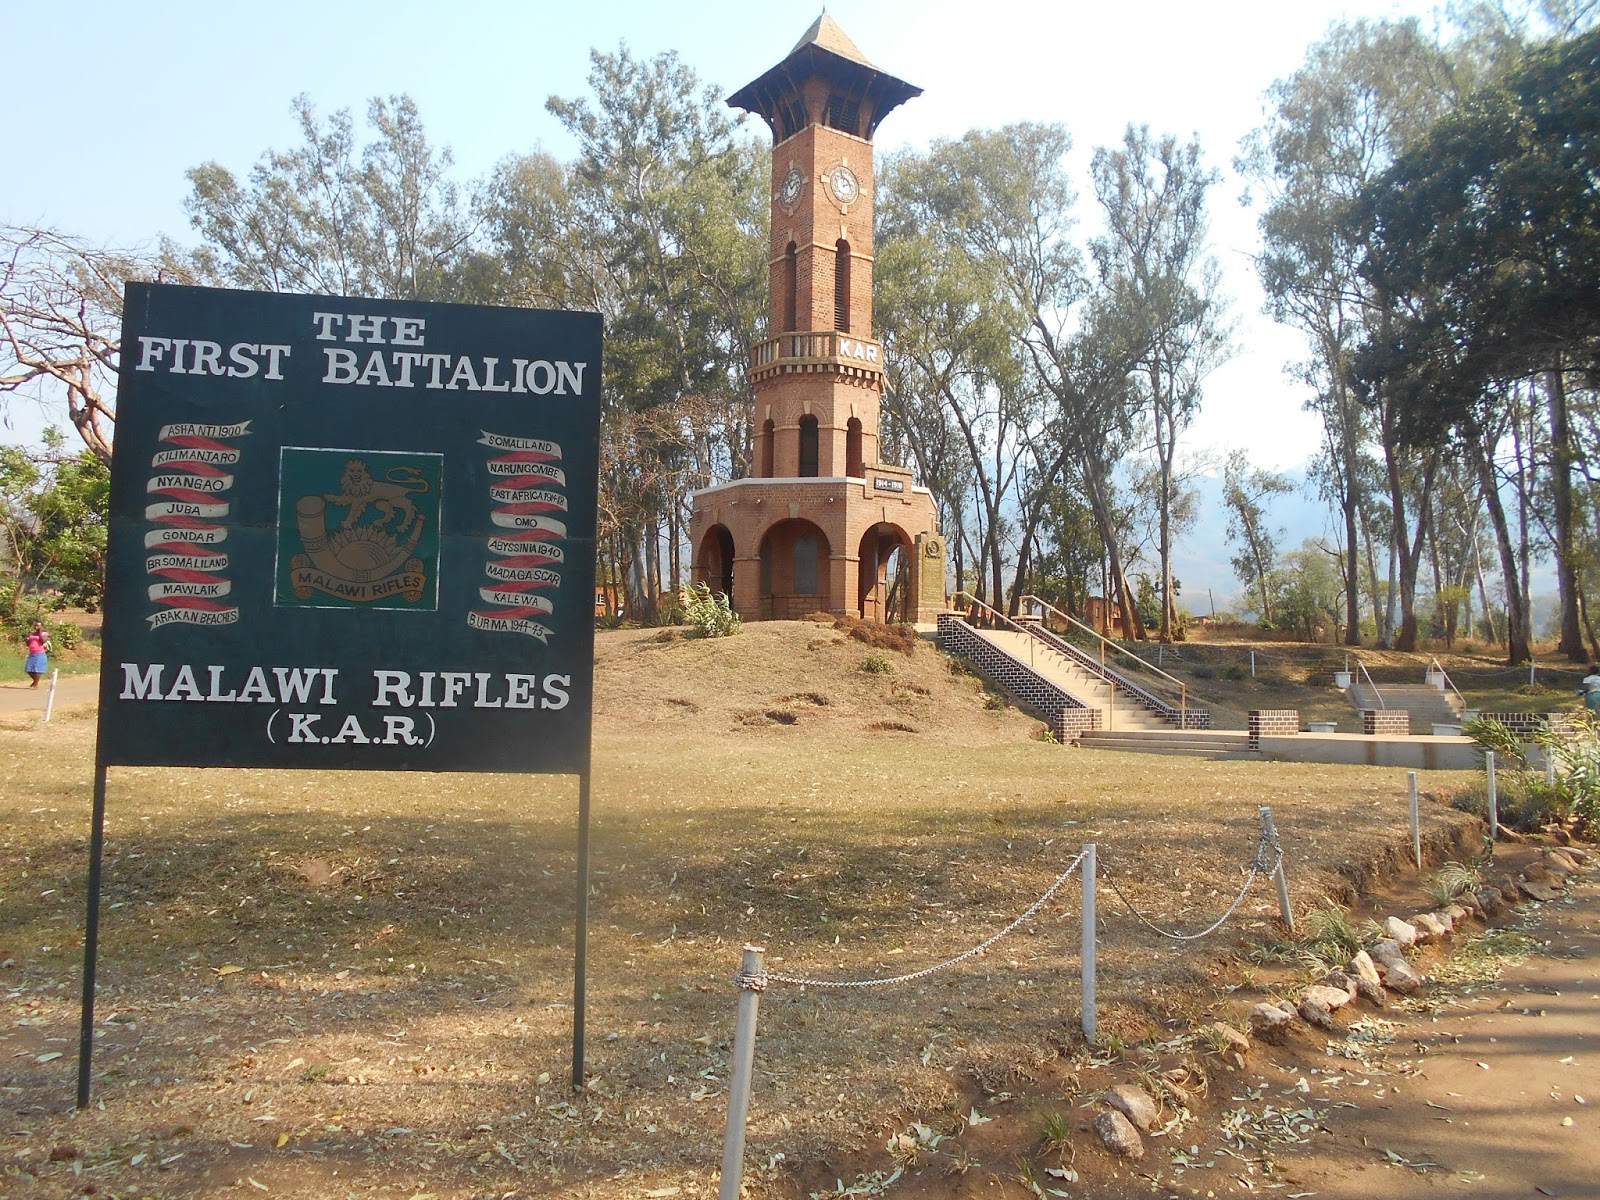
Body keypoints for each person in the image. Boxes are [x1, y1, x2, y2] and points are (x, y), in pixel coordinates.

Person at [23, 621, 51, 688]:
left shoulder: (44, 633)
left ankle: (36, 683)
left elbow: (43, 641)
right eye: (35, 625)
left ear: (41, 626)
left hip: (40, 653)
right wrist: (27, 639)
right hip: (32, 653)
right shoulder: (32, 634)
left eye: (38, 625)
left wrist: (40, 632)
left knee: (37, 670)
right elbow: (28, 644)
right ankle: (35, 681)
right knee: (28, 669)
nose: (36, 627)